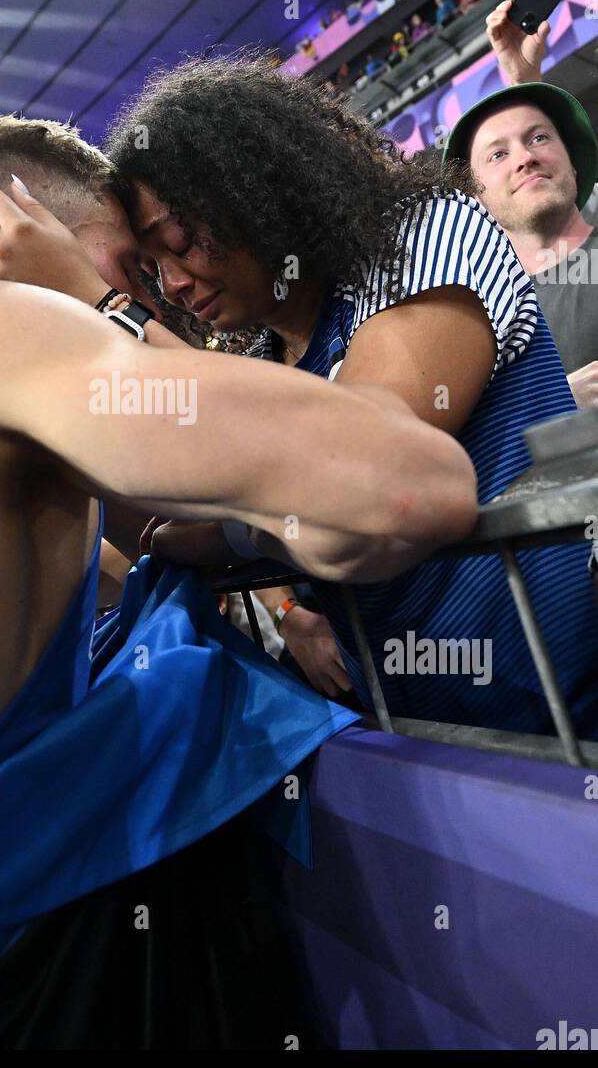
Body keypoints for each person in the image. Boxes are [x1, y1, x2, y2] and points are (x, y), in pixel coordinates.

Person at [0, 121, 477, 1049]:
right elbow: (401, 484)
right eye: (134, 269)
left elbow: (213, 532)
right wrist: (90, 300)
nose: (163, 295)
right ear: (20, 236)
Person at [88, 54, 598, 731]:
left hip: (574, 701)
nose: (173, 284)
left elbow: (354, 462)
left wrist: (104, 312)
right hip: (438, 739)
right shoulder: (264, 363)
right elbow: (173, 523)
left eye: (179, 240)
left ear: (252, 186)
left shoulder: (425, 234)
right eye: (151, 271)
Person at [447, 0, 598, 404]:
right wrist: (554, 406)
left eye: (539, 138)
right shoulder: (482, 326)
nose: (525, 158)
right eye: (498, 155)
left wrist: (523, 80)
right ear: (474, 199)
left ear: (573, 160)